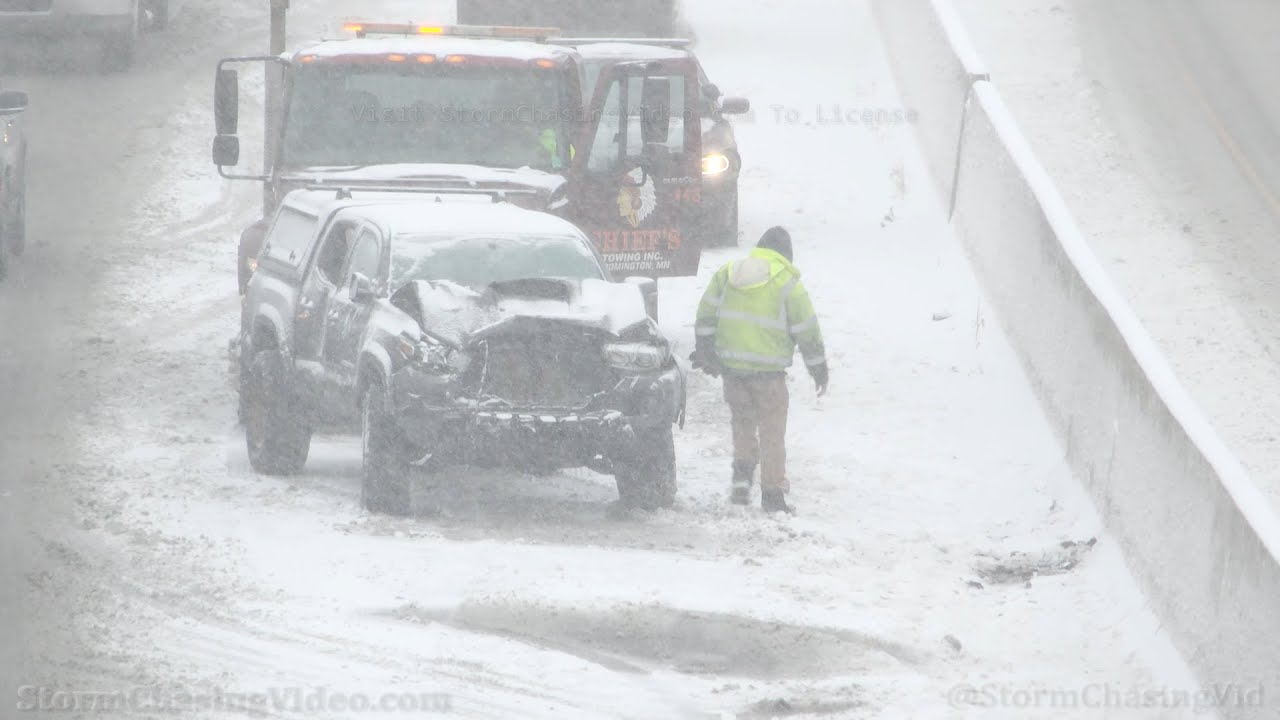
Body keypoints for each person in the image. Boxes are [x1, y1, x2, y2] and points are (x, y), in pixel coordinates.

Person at [690, 226, 828, 513]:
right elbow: (806, 328)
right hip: (768, 375)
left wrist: (705, 348)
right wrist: (818, 367)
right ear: (785, 254)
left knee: (742, 423)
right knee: (771, 433)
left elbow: (706, 312)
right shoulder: (786, 282)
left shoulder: (728, 272)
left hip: (733, 371)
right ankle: (772, 494)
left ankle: (741, 483)